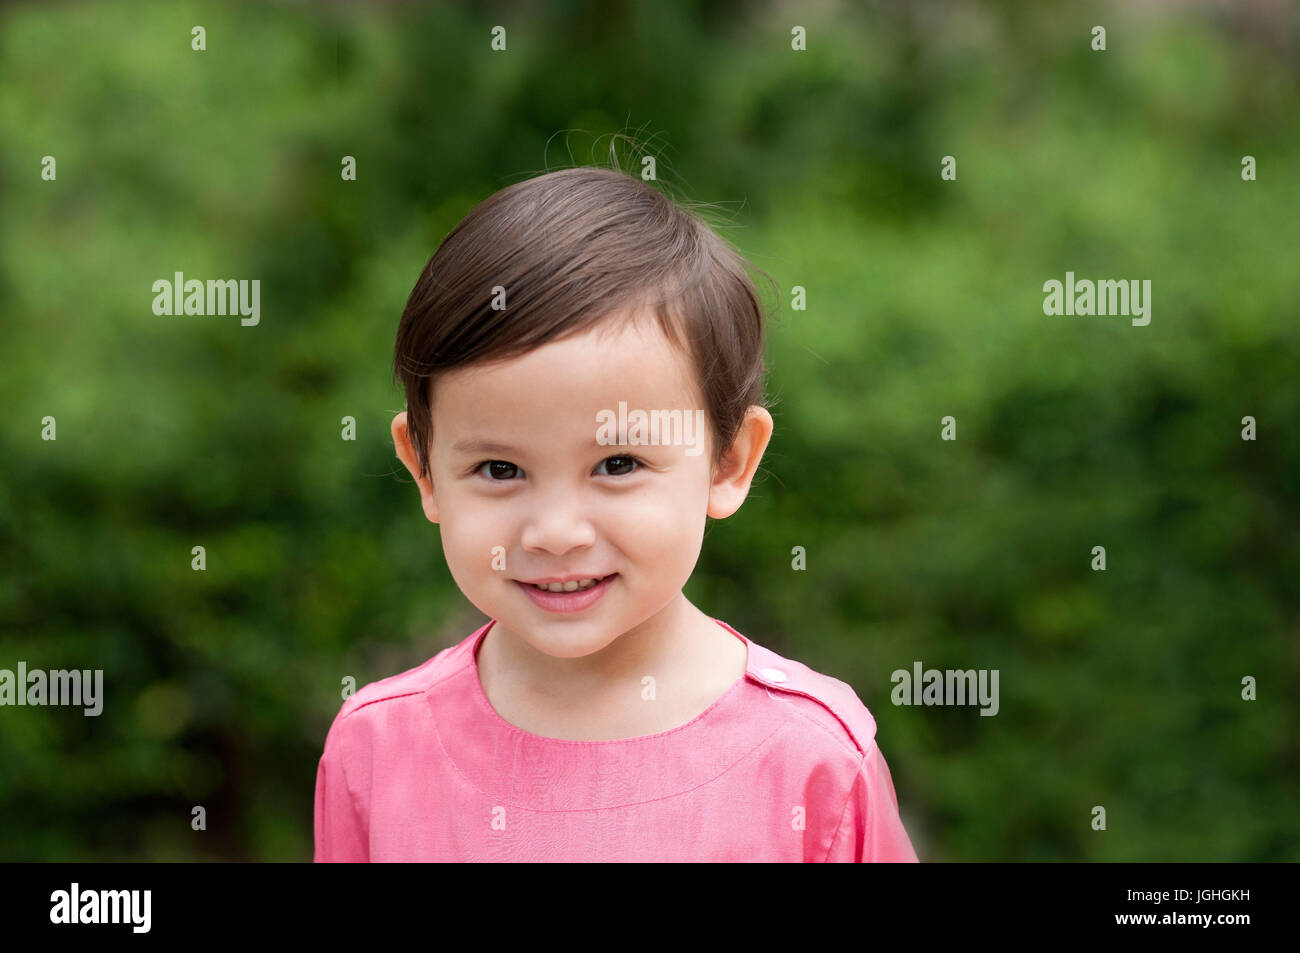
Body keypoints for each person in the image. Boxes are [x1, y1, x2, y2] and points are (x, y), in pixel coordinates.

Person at [313, 164, 918, 862]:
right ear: (424, 468)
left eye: (618, 464)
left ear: (729, 461)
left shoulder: (813, 763)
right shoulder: (376, 751)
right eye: (500, 470)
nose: (557, 533)